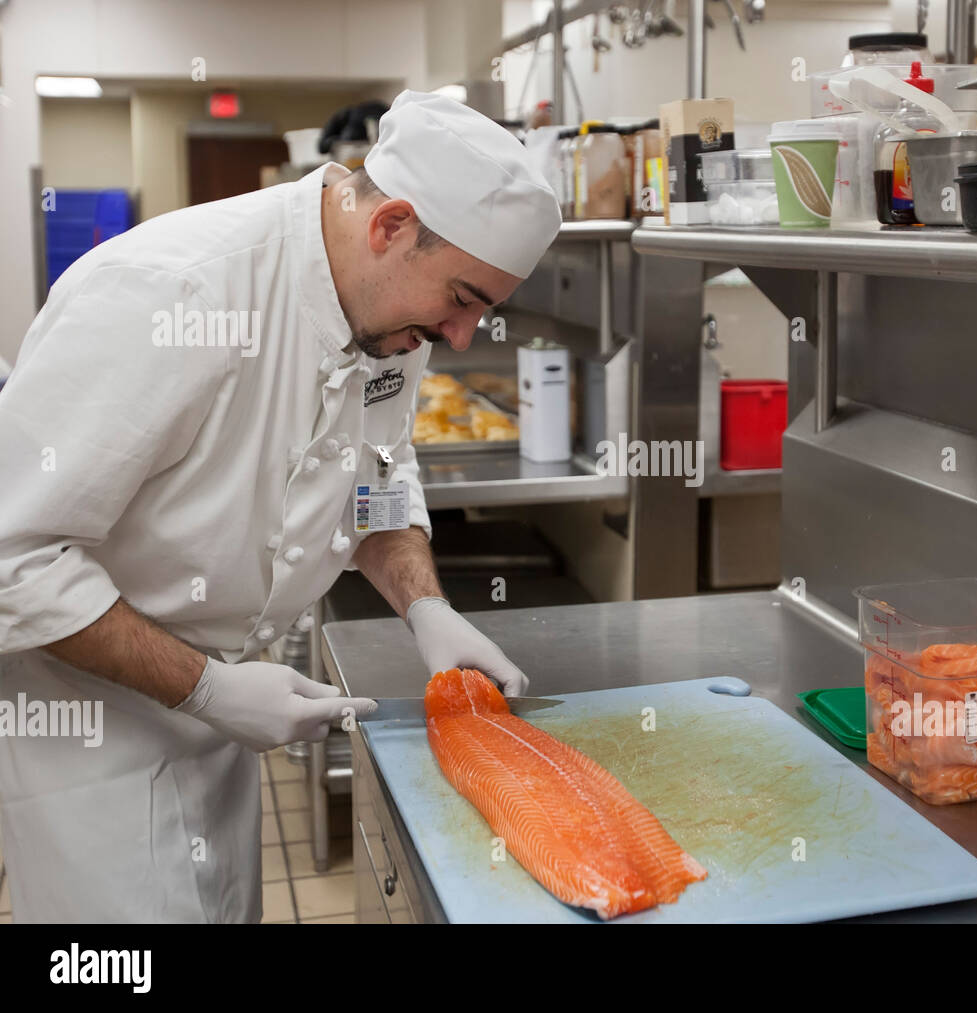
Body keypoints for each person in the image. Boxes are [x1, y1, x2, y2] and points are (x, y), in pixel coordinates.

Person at [0, 91, 561, 922]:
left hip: (218, 711)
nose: (465, 334)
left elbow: (378, 465)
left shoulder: (388, 313)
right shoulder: (167, 295)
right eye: (463, 297)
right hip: (95, 728)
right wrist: (205, 689)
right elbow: (16, 557)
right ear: (391, 226)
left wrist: (426, 605)